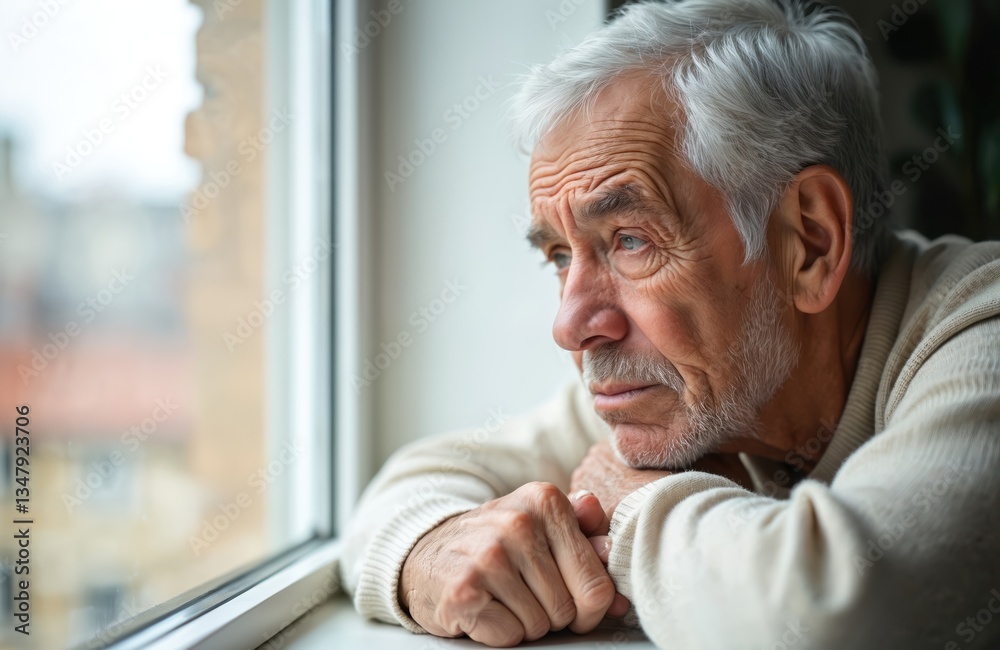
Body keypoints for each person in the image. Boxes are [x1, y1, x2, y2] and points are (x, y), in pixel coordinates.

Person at [340, 1, 1000, 647]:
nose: (570, 326)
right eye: (561, 255)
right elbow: (418, 480)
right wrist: (429, 555)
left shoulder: (981, 329)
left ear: (810, 242)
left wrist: (628, 505)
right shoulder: (691, 386)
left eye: (630, 240)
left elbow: (842, 611)